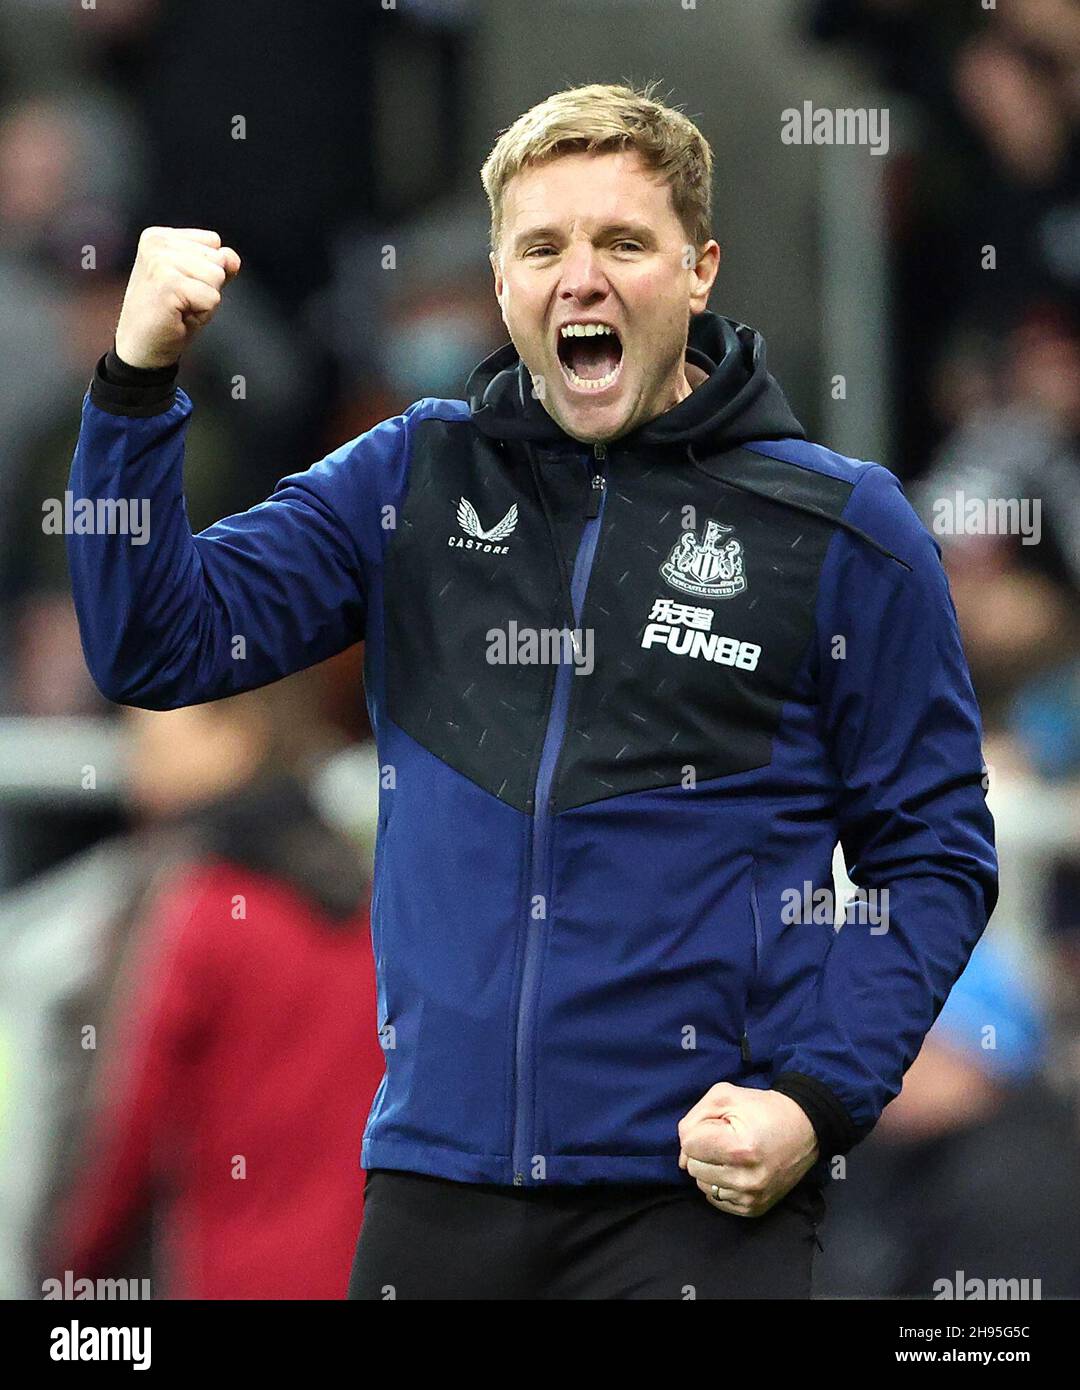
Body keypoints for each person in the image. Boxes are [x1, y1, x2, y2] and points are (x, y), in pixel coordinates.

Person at [65, 81, 997, 1300]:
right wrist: (136, 385)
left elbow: (933, 853)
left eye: (623, 242)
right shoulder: (407, 480)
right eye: (542, 247)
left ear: (701, 270)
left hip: (695, 1199)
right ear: (503, 284)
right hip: (433, 1195)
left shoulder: (842, 528)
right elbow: (153, 645)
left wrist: (816, 1099)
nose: (581, 278)